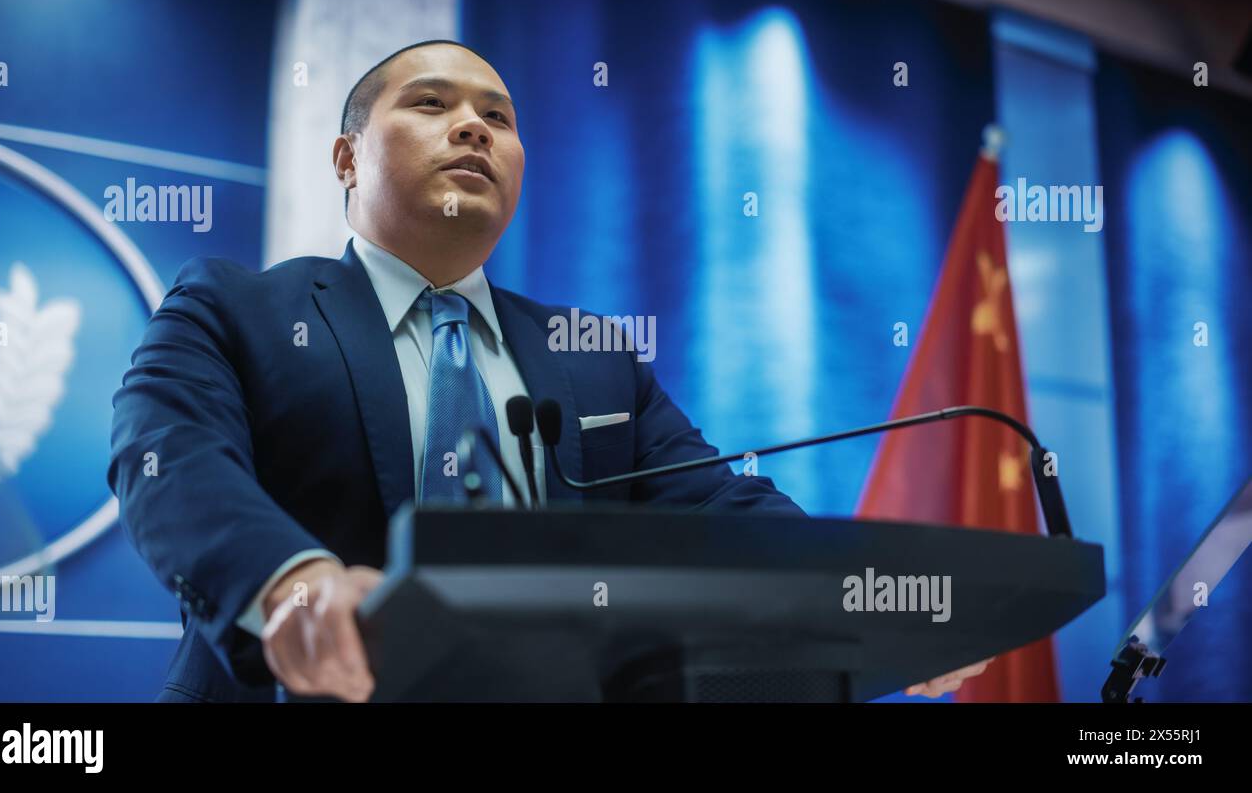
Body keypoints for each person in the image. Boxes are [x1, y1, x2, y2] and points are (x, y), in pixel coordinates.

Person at [108, 39, 987, 702]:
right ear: (346, 159)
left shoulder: (591, 355)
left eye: (498, 118)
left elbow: (726, 509)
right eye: (430, 103)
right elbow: (170, 456)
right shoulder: (237, 308)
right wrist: (290, 580)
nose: (472, 128)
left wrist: (879, 595)